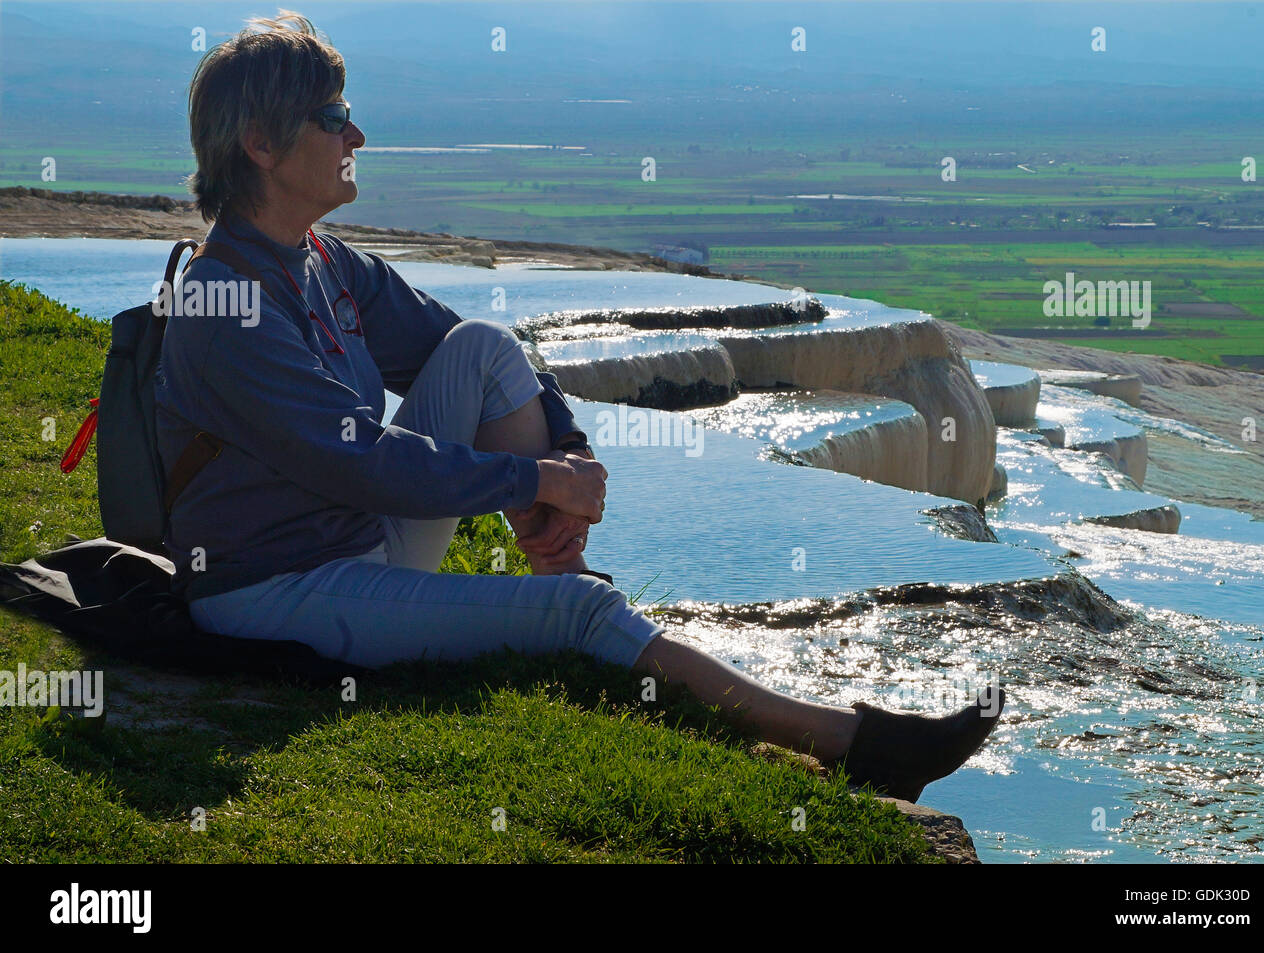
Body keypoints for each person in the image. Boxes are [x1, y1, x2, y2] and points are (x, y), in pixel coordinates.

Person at [155, 12, 1004, 803]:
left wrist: (567, 445)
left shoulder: (322, 259)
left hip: (355, 540)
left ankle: (559, 577)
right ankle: (856, 746)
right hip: (276, 589)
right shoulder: (225, 301)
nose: (356, 135)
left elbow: (469, 348)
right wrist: (534, 476)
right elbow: (360, 461)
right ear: (261, 142)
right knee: (579, 613)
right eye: (332, 115)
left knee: (482, 347)